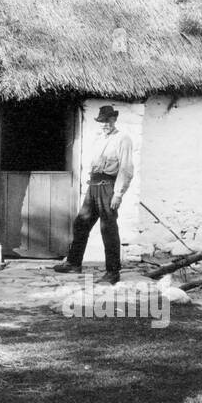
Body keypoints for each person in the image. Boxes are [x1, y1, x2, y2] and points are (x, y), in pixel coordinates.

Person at [53, 105, 134, 284]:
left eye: (108, 120)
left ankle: (113, 273)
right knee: (81, 223)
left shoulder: (123, 139)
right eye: (102, 121)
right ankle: (74, 263)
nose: (105, 124)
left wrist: (118, 194)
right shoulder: (98, 139)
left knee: (108, 228)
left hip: (108, 187)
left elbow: (126, 169)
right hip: (94, 186)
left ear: (114, 120)